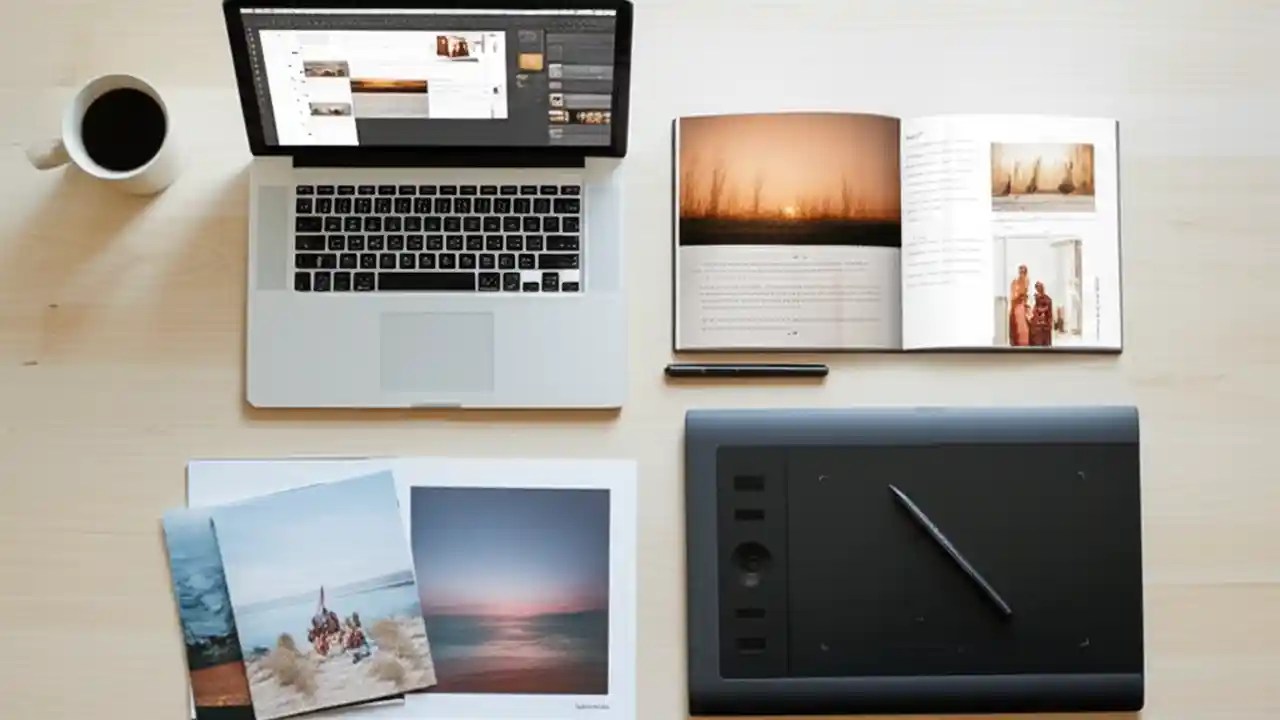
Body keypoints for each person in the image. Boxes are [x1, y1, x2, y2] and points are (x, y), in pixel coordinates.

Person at [1008, 265, 1031, 346]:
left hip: (1022, 306)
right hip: (1017, 307)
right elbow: (1014, 296)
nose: (1022, 274)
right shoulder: (1015, 283)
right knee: (1018, 326)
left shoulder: (1026, 281)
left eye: (1024, 272)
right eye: (1021, 272)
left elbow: (1025, 294)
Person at [1029, 281, 1054, 346]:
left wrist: (1049, 323)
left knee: (1044, 343)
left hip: (1044, 326)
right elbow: (1033, 312)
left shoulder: (1047, 299)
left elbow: (1049, 312)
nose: (1040, 289)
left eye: (1041, 287)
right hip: (1037, 327)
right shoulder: (1035, 299)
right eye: (1038, 287)